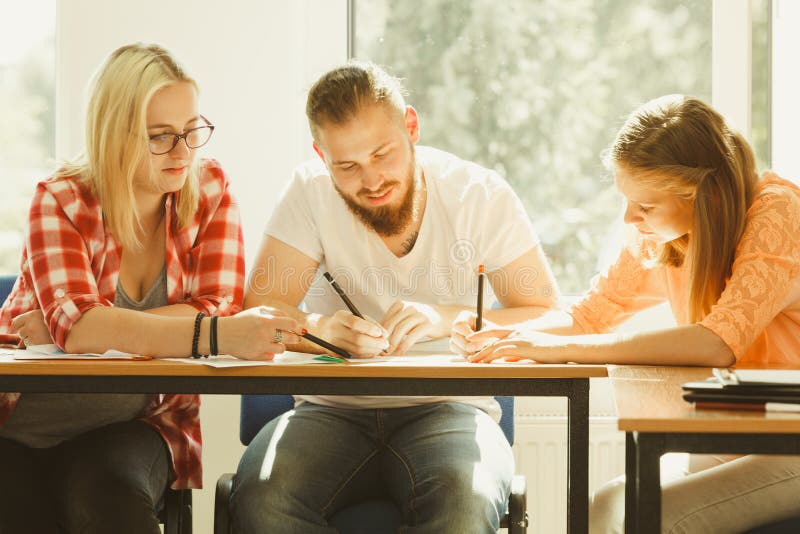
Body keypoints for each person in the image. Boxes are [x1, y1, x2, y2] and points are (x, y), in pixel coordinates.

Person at [231, 61, 558, 533]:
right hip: (330, 408)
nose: (371, 180)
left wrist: (446, 318)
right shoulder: (308, 192)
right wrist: (321, 330)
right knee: (263, 499)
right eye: (347, 166)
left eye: (382, 154)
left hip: (451, 407)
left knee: (463, 503)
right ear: (321, 155)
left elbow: (546, 316)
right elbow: (258, 314)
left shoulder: (479, 196)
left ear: (411, 126)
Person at [453, 94, 800, 533]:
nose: (630, 218)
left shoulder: (777, 212)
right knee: (605, 505)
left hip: (789, 439)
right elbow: (589, 315)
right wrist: (499, 334)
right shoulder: (660, 235)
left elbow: (718, 342)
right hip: (741, 432)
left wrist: (561, 350)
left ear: (704, 197)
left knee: (658, 517)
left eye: (646, 206)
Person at [0, 43, 299, 534]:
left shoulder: (210, 190)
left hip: (139, 424)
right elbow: (86, 327)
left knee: (106, 498)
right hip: (21, 428)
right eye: (161, 137)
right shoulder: (60, 199)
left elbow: (219, 306)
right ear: (112, 135)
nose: (183, 153)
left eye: (191, 131)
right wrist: (205, 334)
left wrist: (89, 328)